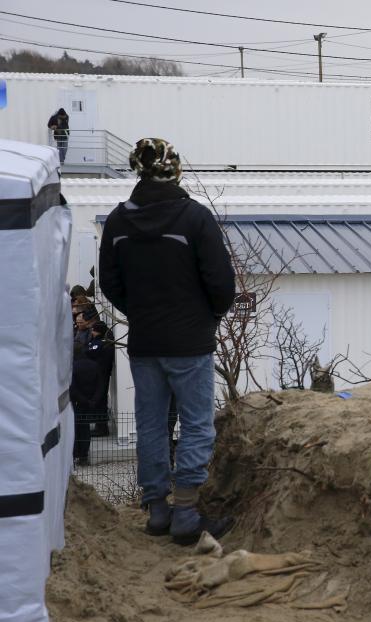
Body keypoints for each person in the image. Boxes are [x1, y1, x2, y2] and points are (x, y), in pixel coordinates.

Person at [98, 138, 236, 545]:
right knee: (196, 425)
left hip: (145, 341)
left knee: (152, 424)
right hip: (190, 343)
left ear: (138, 172)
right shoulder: (195, 218)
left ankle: (157, 510)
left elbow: (110, 285)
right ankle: (186, 513)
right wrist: (206, 317)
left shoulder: (117, 222)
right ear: (175, 170)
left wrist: (140, 313)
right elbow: (221, 285)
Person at [86, 321, 115, 438]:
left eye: (93, 330)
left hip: (100, 376)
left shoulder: (100, 343)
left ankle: (102, 428)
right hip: (101, 375)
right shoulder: (104, 342)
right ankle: (100, 426)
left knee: (100, 401)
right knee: (100, 401)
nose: (92, 332)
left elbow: (88, 352)